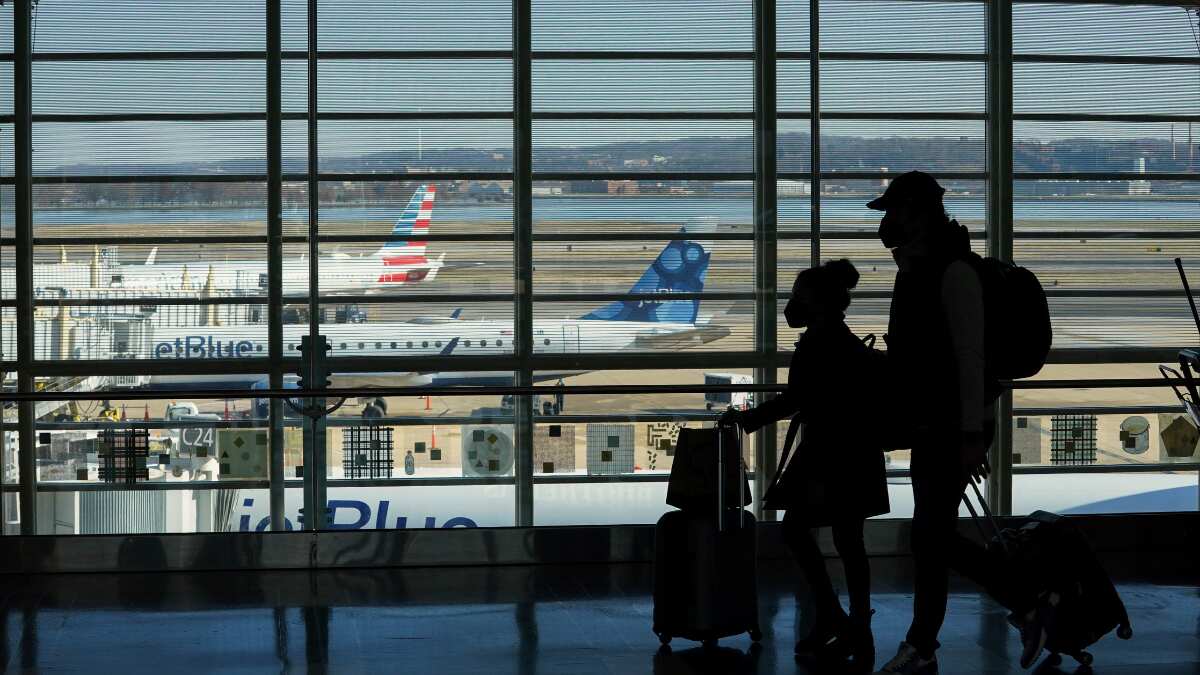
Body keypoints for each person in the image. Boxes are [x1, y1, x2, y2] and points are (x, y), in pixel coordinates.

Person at [868, 172, 1046, 674]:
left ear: (919, 214)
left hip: (953, 425)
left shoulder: (954, 274)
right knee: (931, 537)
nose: (886, 222)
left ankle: (1024, 601)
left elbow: (969, 359)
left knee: (931, 537)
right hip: (935, 422)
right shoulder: (918, 272)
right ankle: (925, 643)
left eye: (893, 211)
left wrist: (972, 433)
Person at [723, 259, 888, 672]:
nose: (792, 304)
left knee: (796, 531)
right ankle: (851, 623)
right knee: (850, 541)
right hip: (855, 453)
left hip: (830, 455)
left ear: (815, 301)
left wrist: (748, 419)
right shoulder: (842, 341)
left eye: (798, 296)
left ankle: (835, 617)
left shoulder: (820, 344)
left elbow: (796, 399)